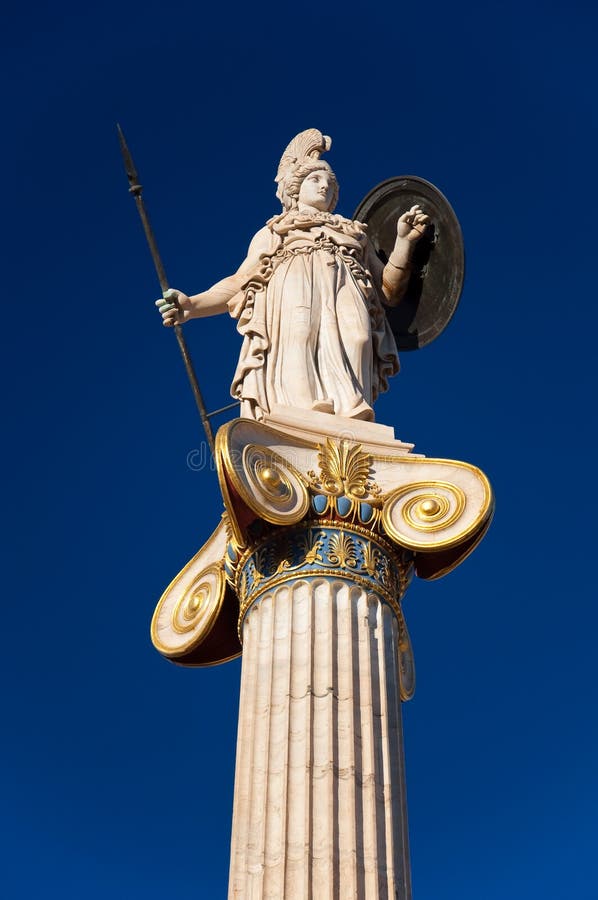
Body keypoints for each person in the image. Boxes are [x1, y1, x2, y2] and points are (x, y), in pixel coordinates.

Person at [156, 129, 428, 422]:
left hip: (346, 283)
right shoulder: (275, 230)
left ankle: (350, 407)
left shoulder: (353, 233)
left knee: (360, 336)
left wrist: (404, 242)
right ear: (295, 188)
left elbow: (388, 290)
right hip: (294, 281)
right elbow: (239, 281)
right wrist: (192, 306)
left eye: (330, 182)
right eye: (315, 179)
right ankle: (304, 406)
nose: (324, 186)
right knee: (301, 333)